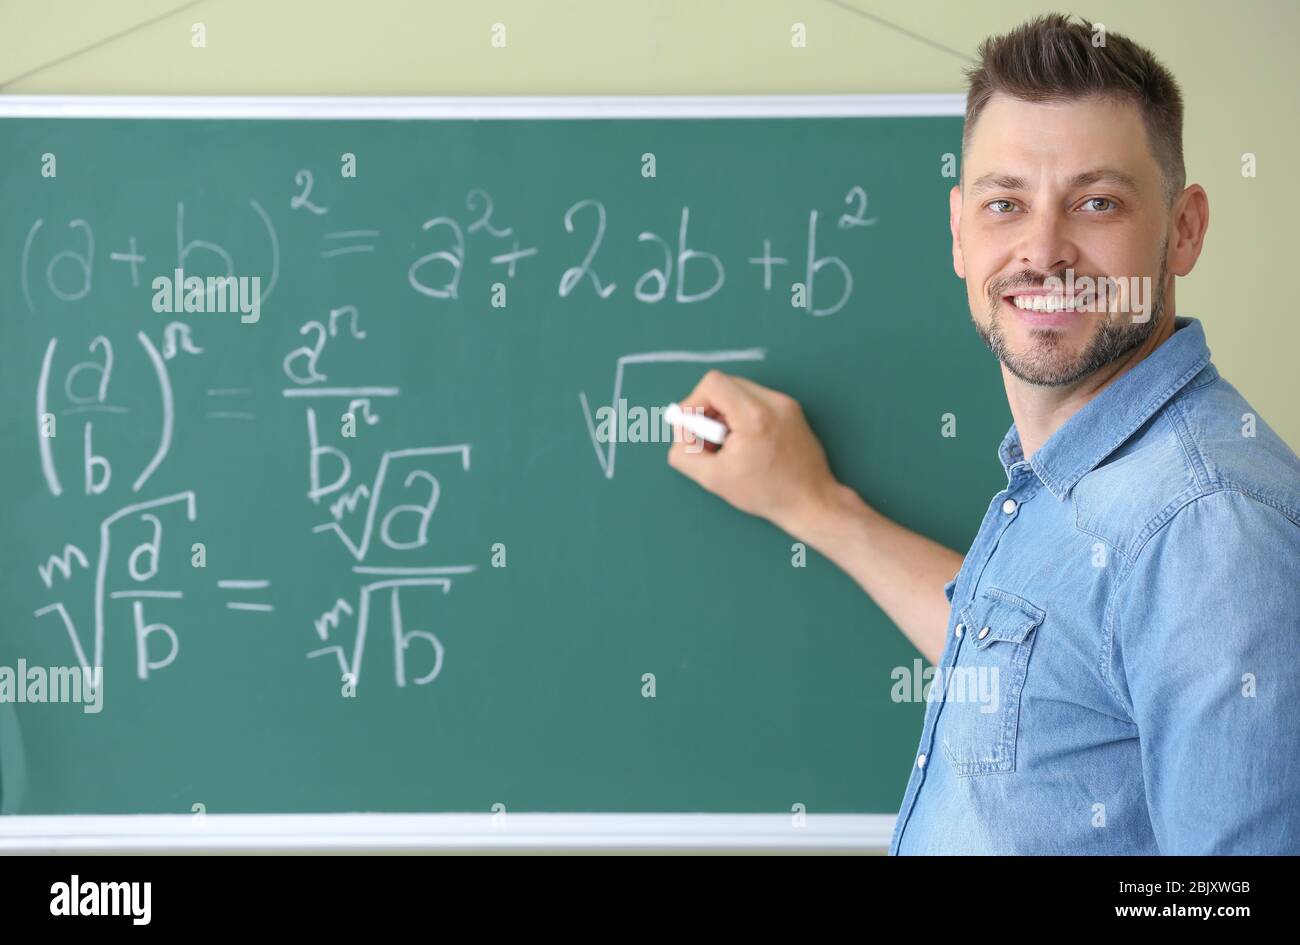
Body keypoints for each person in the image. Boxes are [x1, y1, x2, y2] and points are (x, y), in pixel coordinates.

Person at [667, 13, 1300, 855]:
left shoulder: (1207, 525)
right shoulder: (1081, 481)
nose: (1042, 250)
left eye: (1097, 202)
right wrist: (816, 506)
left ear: (1182, 230)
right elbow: (1046, 676)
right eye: (1007, 204)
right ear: (961, 232)